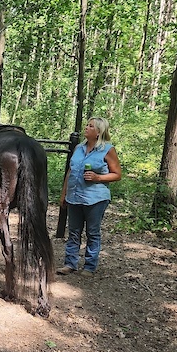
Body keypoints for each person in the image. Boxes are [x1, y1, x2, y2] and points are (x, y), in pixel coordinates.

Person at [57, 116, 122, 276]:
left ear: (99, 131)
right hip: (74, 196)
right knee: (73, 231)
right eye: (87, 124)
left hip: (96, 198)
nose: (86, 127)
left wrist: (98, 177)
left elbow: (117, 174)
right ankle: (70, 264)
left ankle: (89, 266)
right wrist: (64, 193)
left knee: (92, 232)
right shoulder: (79, 148)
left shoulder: (107, 149)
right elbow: (70, 171)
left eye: (90, 126)